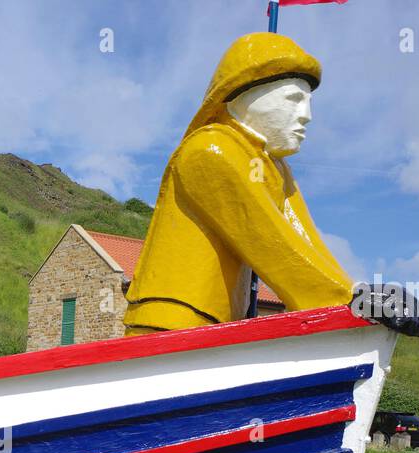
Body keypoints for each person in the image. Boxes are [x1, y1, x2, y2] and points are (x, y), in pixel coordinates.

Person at [125, 33, 354, 333]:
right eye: (293, 100)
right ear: (240, 98)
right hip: (171, 323)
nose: (306, 116)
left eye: (308, 103)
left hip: (219, 328)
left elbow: (305, 241)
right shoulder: (209, 150)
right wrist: (344, 302)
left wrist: (353, 293)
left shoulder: (276, 169)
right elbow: (269, 240)